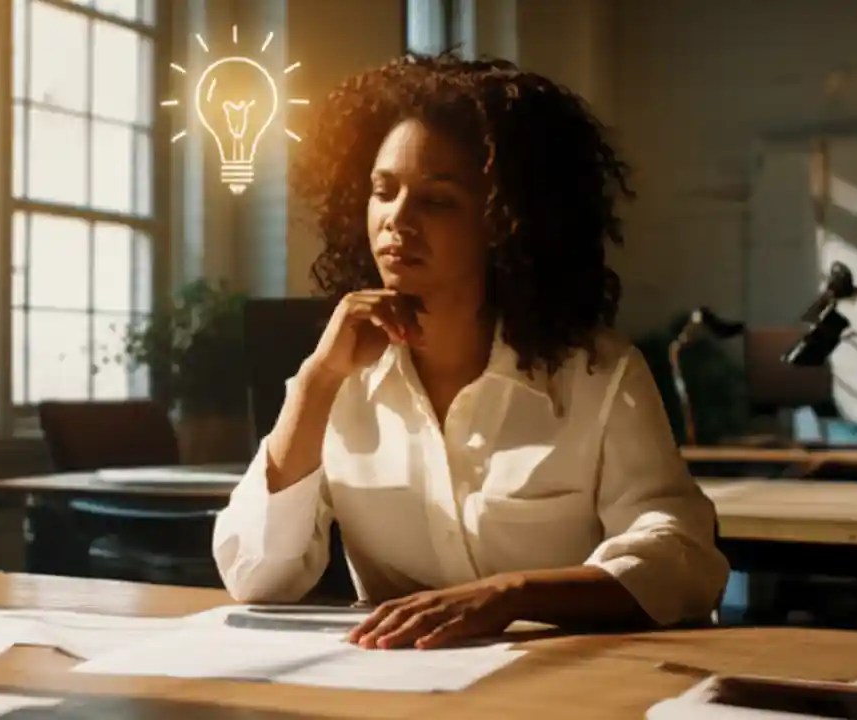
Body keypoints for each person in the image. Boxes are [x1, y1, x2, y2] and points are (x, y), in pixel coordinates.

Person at [213, 54, 728, 650]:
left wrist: (514, 594)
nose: (396, 220)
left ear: (505, 221)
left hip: (562, 694)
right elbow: (254, 576)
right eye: (383, 191)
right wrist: (316, 383)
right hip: (392, 691)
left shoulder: (598, 373)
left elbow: (681, 557)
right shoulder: (342, 379)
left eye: (437, 201)